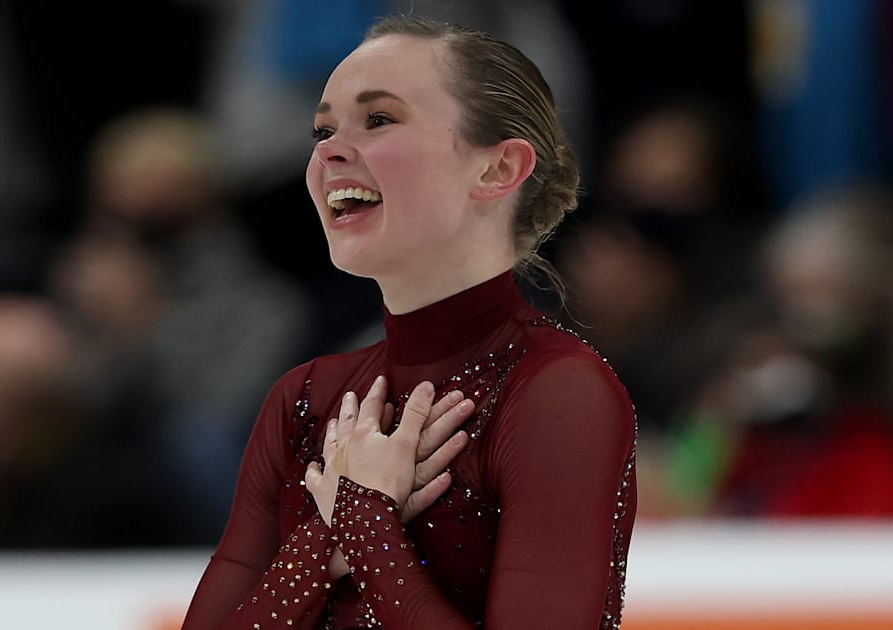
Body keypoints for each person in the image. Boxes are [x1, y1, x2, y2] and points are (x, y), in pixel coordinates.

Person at [183, 16, 636, 629]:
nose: (328, 151)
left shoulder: (558, 392)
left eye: (379, 119)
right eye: (322, 129)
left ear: (498, 169)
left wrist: (362, 521)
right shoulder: (303, 400)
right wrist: (325, 538)